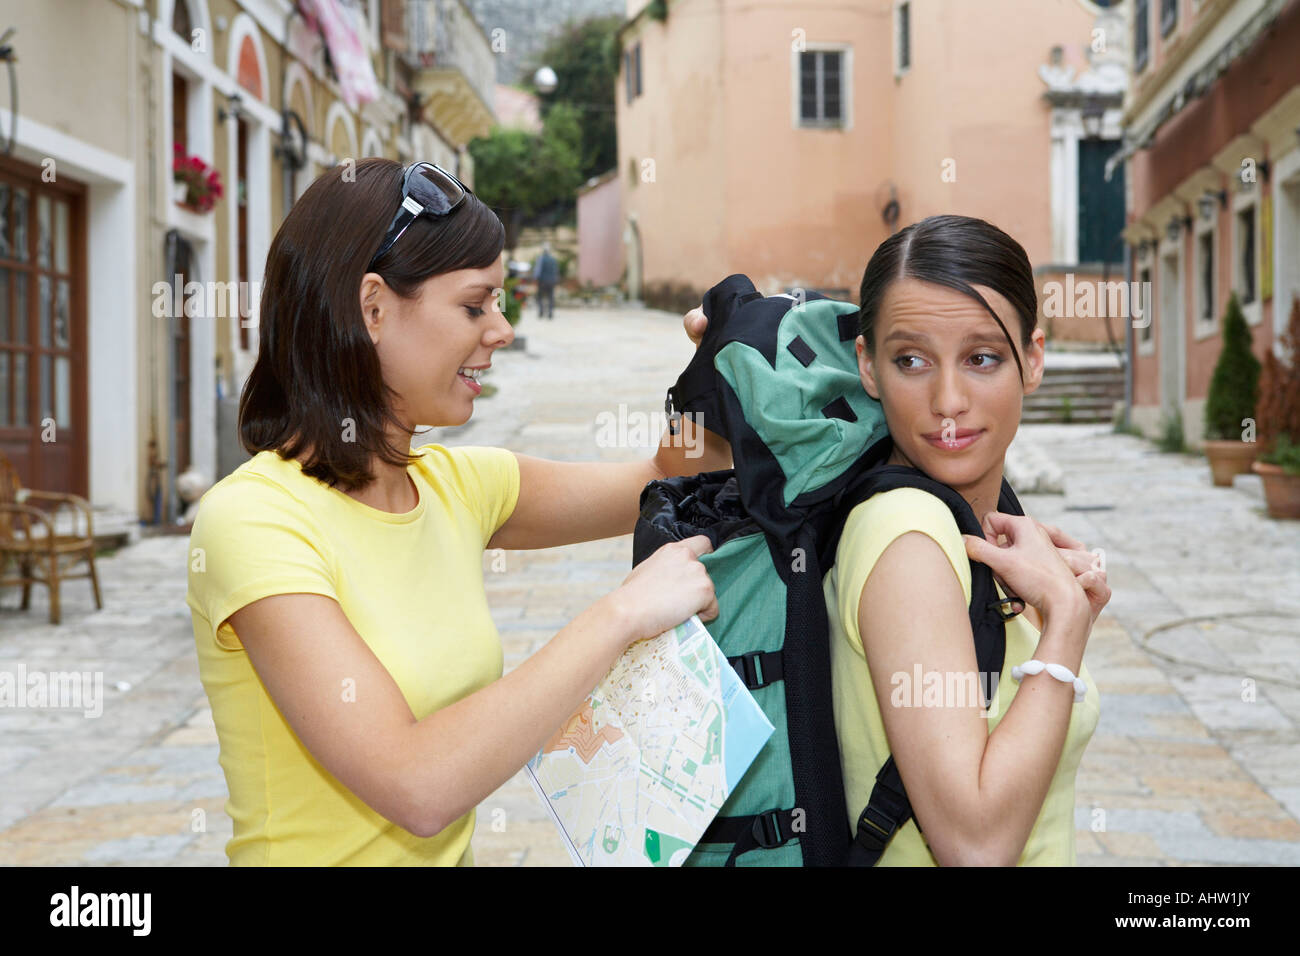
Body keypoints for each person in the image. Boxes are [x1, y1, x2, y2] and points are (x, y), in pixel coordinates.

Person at [185, 158, 730, 866]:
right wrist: (621, 615)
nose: (500, 329)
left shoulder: (457, 485)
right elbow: (417, 784)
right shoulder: (255, 521)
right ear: (371, 308)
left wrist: (715, 369)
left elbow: (670, 475)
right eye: (476, 306)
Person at [685, 214, 1108, 865]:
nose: (948, 400)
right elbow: (975, 843)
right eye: (910, 360)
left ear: (1034, 358)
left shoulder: (975, 522)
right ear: (869, 367)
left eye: (982, 358)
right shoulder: (908, 537)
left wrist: (1057, 610)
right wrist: (1067, 628)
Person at [533, 242, 559, 319]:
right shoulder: (553, 260)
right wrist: (555, 280)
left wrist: (535, 279)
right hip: (551, 281)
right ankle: (550, 312)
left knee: (540, 296)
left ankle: (541, 311)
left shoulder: (541, 259)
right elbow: (556, 271)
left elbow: (538, 270)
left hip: (542, 281)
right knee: (551, 297)